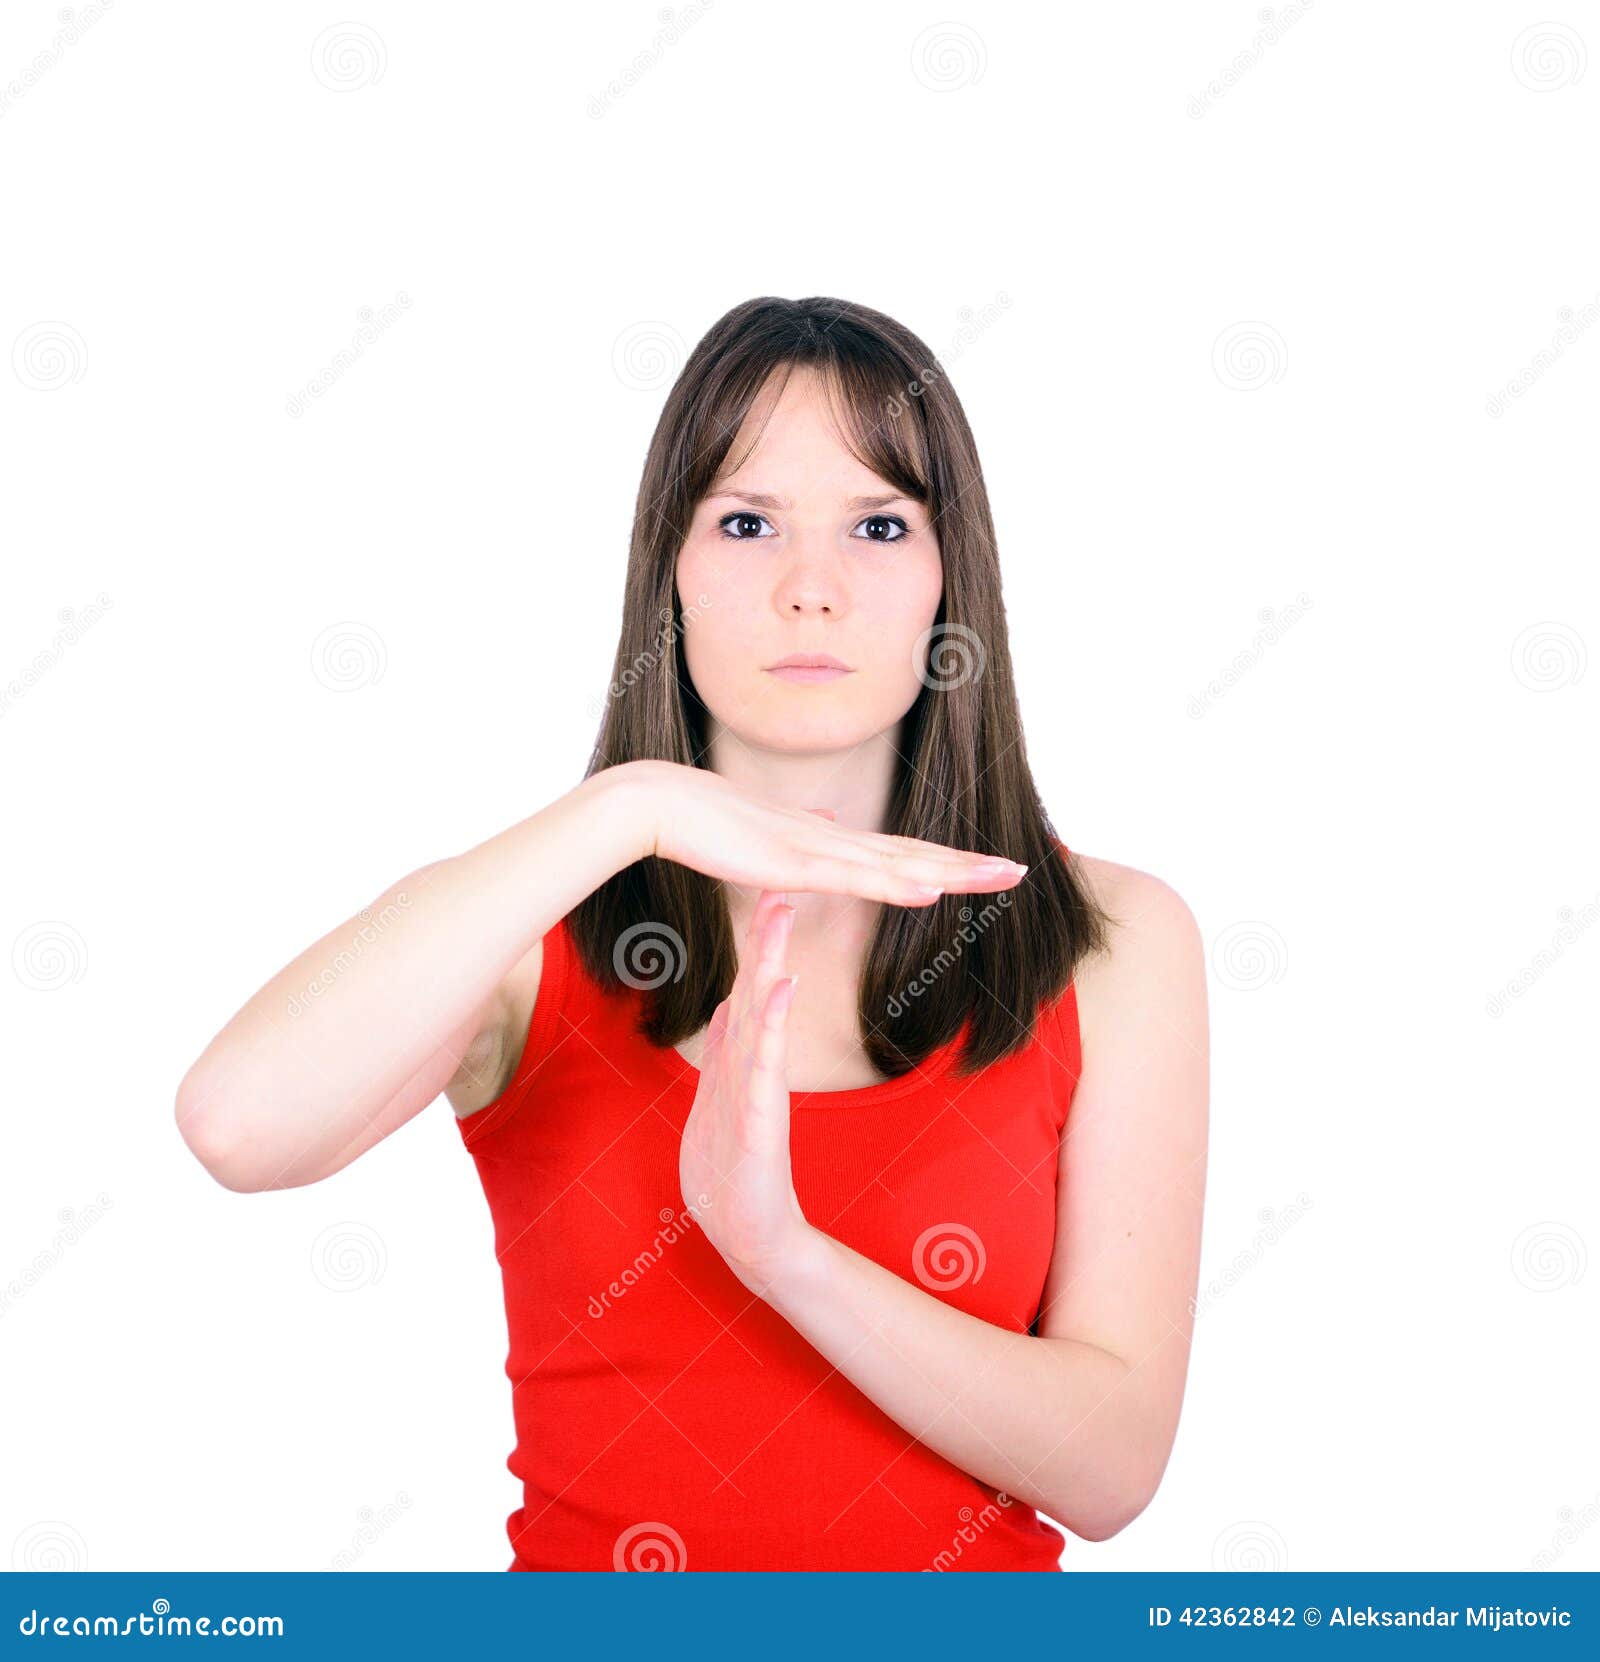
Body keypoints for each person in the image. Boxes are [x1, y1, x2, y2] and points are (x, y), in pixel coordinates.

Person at [175, 295, 1210, 1572]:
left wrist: (780, 1251)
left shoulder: (1113, 940)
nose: (810, 589)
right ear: (668, 565)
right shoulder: (528, 928)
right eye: (746, 522)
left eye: (880, 525)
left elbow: (1111, 1468)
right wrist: (636, 804)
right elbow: (237, 1124)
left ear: (954, 576)